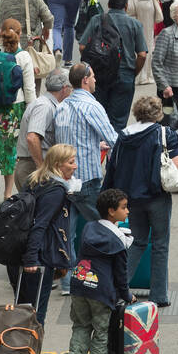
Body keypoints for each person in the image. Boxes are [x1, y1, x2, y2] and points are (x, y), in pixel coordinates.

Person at [104, 95, 178, 308]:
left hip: (130, 198)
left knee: (137, 241)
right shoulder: (164, 133)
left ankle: (118, 287)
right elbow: (177, 161)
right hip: (157, 196)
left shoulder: (124, 136)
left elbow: (113, 167)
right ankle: (159, 295)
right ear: (158, 114)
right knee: (160, 243)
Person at [53, 62, 119, 294]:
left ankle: (68, 282)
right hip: (87, 177)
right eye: (93, 76)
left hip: (64, 179)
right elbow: (113, 138)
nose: (95, 80)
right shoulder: (91, 106)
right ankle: (107, 276)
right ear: (85, 80)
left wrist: (92, 143)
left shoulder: (62, 107)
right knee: (103, 227)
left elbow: (68, 136)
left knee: (67, 232)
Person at [65, 187, 135, 354]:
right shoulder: (118, 240)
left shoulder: (88, 228)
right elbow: (121, 275)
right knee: (101, 330)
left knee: (81, 324)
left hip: (79, 283)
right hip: (101, 291)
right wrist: (127, 296)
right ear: (112, 211)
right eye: (124, 207)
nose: (127, 211)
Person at [13, 143, 76, 331]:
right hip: (39, 257)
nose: (75, 166)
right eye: (71, 162)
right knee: (36, 316)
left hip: (23, 253)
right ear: (58, 164)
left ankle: (17, 353)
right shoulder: (55, 191)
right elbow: (39, 226)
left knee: (22, 312)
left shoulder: (34, 180)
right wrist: (31, 258)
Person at [0, 18, 37, 204]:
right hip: (13, 108)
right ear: (19, 34)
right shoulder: (23, 56)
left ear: (0, 32)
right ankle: (7, 193)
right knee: (10, 149)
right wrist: (32, 112)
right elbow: (29, 89)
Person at [79, 0, 146, 131]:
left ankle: (99, 150)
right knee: (118, 122)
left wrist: (92, 66)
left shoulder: (97, 19)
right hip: (125, 75)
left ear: (108, 5)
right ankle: (114, 151)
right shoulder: (135, 24)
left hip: (99, 74)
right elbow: (142, 55)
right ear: (126, 6)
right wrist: (133, 72)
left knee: (98, 119)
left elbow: (82, 46)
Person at [14, 69, 72, 191]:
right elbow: (32, 137)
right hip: (32, 167)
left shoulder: (47, 104)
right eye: (71, 88)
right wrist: (42, 168)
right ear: (65, 88)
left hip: (32, 165)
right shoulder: (44, 106)